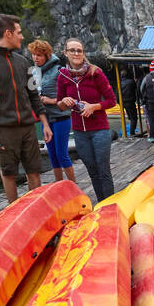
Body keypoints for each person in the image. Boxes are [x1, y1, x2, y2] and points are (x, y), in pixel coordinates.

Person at [0, 13, 53, 204]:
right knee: (8, 172)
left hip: (28, 127)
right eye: (19, 32)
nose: (22, 36)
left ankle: (37, 210)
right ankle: (12, 210)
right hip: (3, 128)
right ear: (8, 34)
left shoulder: (23, 62)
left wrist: (45, 124)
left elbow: (34, 94)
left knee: (34, 170)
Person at [56, 38, 117, 201]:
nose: (76, 53)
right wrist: (63, 102)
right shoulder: (62, 76)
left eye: (79, 50)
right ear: (65, 53)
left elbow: (112, 100)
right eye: (72, 50)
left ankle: (110, 206)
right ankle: (101, 203)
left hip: (100, 129)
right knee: (92, 171)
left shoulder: (95, 72)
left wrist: (93, 106)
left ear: (83, 53)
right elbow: (59, 104)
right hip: (79, 131)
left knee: (103, 170)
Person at [28, 40, 76, 184]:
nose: (36, 58)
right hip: (45, 119)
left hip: (61, 118)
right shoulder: (32, 72)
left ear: (47, 55)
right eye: (33, 55)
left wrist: (49, 101)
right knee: (53, 155)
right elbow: (30, 94)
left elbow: (71, 97)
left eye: (39, 55)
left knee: (62, 155)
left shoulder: (60, 71)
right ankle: (58, 186)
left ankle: (74, 186)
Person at [139, 60, 154, 142]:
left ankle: (151, 137)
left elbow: (141, 89)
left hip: (150, 102)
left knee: (152, 120)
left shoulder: (146, 78)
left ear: (150, 69)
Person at [119, 68, 139, 136]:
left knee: (131, 117)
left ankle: (131, 131)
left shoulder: (120, 83)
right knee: (134, 118)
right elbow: (136, 89)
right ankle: (132, 133)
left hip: (124, 103)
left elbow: (117, 94)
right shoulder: (131, 82)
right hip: (130, 101)